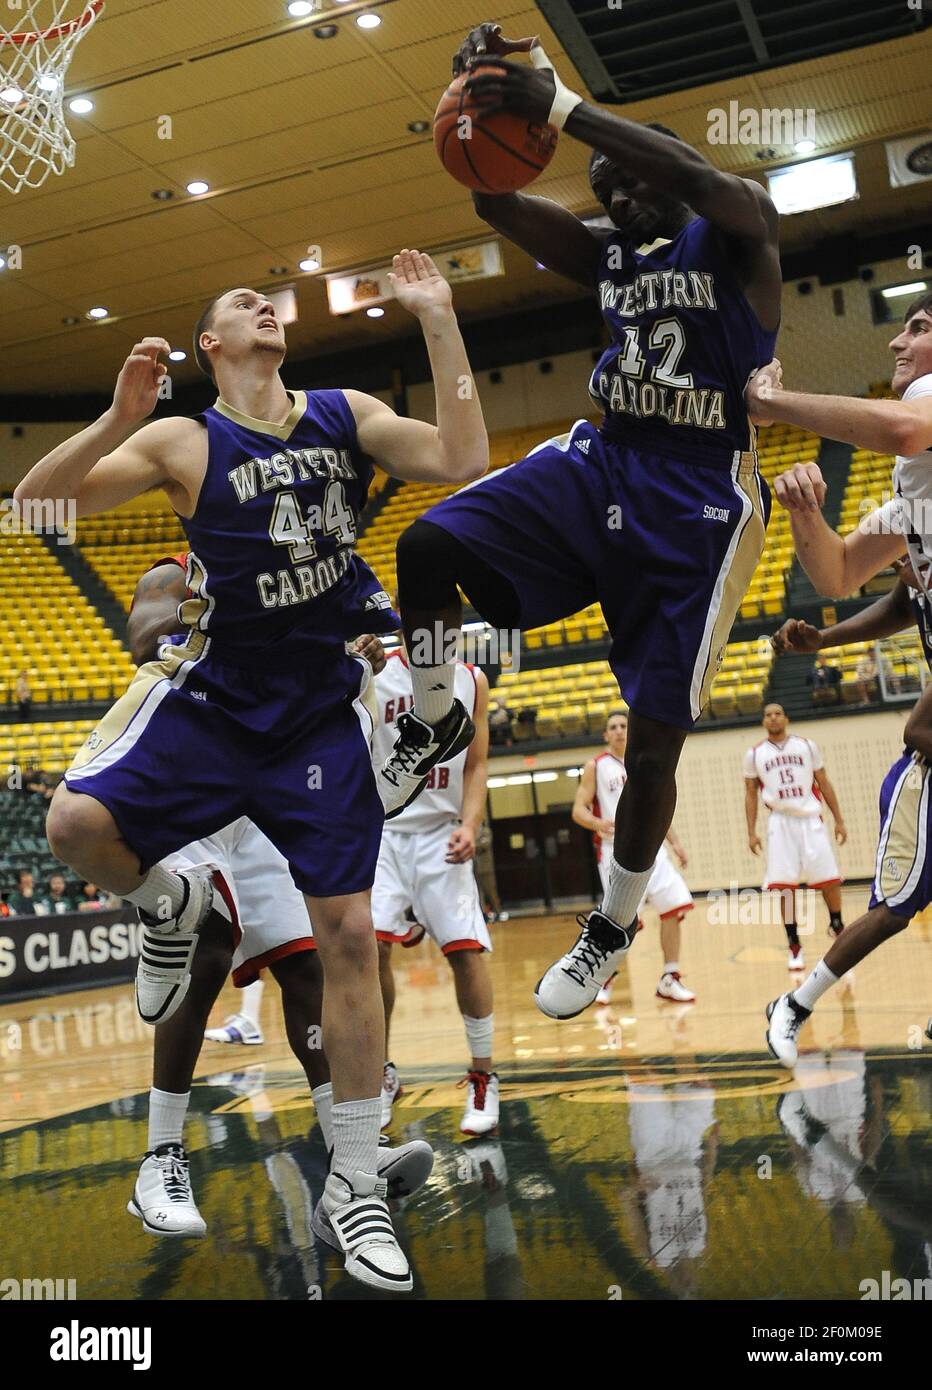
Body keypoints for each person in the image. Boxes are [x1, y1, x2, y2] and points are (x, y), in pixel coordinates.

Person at [16, 249, 488, 1292]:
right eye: (240, 303)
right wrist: (110, 415)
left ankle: (354, 1182)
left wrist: (439, 320)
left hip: (316, 714)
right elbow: (36, 512)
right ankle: (169, 901)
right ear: (209, 346)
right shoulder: (182, 435)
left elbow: (459, 452)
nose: (263, 309)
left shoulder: (341, 409)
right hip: (217, 704)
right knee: (74, 829)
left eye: (269, 304)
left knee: (349, 937)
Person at [375, 20, 781, 1023]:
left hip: (697, 504)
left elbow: (701, 178)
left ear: (663, 172)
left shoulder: (733, 235)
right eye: (599, 188)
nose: (615, 196)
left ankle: (612, 920)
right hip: (601, 461)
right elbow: (488, 193)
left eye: (626, 180)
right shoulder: (608, 257)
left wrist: (554, 104)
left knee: (651, 748)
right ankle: (433, 708)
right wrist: (470, 94)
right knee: (424, 543)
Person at [123, 555, 434, 1243]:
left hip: (274, 776)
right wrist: (237, 614)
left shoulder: (311, 572)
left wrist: (351, 651)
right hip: (196, 768)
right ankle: (161, 1157)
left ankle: (346, 1164)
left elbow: (351, 647)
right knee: (204, 949)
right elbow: (144, 633)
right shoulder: (178, 568)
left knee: (307, 968)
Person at [743, 288, 932, 1063]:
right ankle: (794, 1002)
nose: (899, 343)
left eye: (919, 328)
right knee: (896, 903)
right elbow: (842, 573)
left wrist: (772, 400)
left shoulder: (922, 407)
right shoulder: (913, 490)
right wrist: (806, 513)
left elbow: (906, 423)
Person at [371, 638, 499, 1136]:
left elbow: (477, 764)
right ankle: (380, 1072)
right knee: (370, 951)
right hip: (383, 831)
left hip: (442, 833)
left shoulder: (472, 680)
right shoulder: (374, 674)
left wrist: (471, 824)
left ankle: (483, 1076)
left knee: (465, 952)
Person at [572, 710, 695, 1004]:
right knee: (620, 922)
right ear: (605, 735)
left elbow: (657, 808)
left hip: (654, 849)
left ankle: (670, 977)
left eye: (623, 725)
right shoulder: (596, 766)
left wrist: (675, 844)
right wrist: (597, 823)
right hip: (616, 853)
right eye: (612, 727)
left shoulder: (643, 761)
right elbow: (578, 810)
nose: (618, 731)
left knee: (674, 908)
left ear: (631, 729)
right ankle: (602, 980)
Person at [743, 703, 847, 971]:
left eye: (778, 713)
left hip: (811, 819)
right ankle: (794, 945)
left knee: (829, 879)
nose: (773, 717)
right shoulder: (754, 754)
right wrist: (751, 832)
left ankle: (837, 926)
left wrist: (839, 820)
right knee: (784, 887)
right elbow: (750, 795)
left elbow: (824, 783)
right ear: (763, 721)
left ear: (786, 718)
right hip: (780, 822)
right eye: (768, 714)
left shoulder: (806, 745)